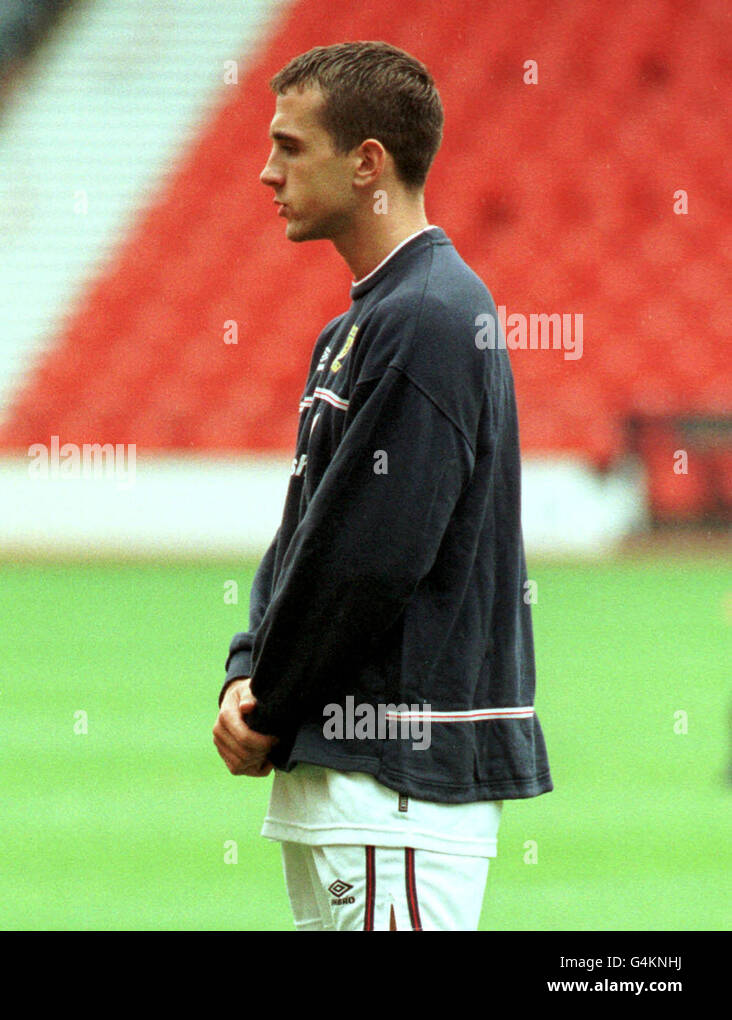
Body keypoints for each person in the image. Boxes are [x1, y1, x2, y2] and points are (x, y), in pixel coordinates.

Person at [212, 42, 551, 931]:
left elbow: (372, 556)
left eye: (291, 147)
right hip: (356, 788)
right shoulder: (362, 323)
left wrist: (270, 706)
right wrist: (248, 671)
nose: (265, 171)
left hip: (394, 786)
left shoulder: (431, 316)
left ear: (367, 163)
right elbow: (306, 534)